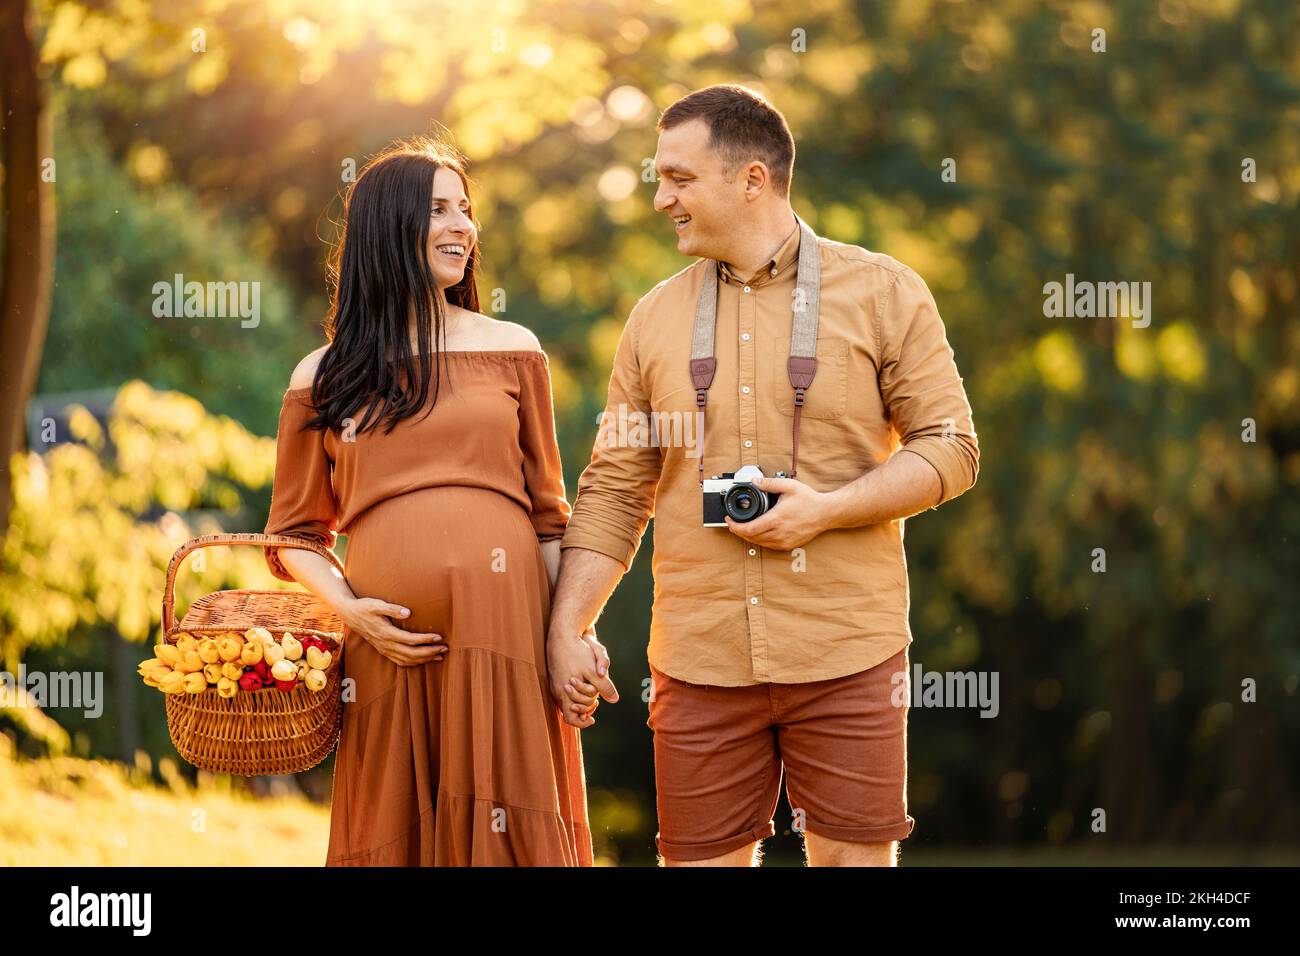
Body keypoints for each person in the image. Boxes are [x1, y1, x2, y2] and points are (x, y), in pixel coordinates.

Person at [547, 85, 980, 867]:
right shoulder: (651, 320)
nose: (660, 199)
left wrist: (827, 510)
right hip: (698, 657)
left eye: (678, 179)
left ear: (752, 179)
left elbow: (951, 449)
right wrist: (566, 628)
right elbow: (613, 489)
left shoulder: (884, 291)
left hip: (847, 649)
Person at [263, 136, 597, 866]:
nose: (462, 226)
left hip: (507, 634)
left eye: (465, 209)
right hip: (390, 647)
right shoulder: (323, 375)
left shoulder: (513, 347)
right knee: (398, 829)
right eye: (439, 209)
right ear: (390, 226)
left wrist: (569, 631)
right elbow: (293, 534)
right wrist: (348, 611)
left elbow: (549, 518)